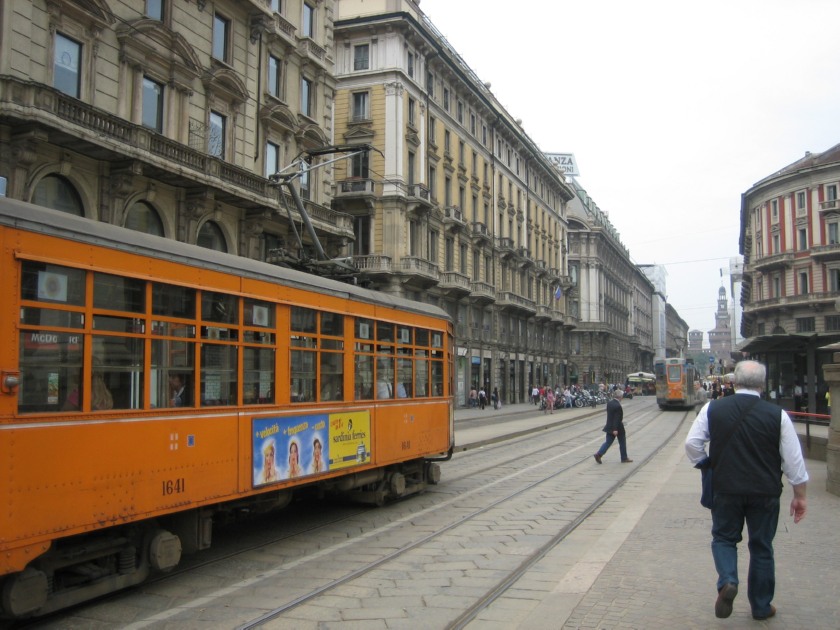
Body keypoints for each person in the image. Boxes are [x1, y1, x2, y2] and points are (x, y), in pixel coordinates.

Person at [685, 360, 808, 621]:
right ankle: (761, 607)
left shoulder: (713, 408)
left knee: (724, 539)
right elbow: (793, 461)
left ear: (733, 382)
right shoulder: (778, 415)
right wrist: (800, 496)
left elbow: (692, 444)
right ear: (762, 385)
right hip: (765, 491)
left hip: (726, 489)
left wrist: (707, 464)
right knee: (762, 547)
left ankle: (728, 581)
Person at [593, 389, 632, 464]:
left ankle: (599, 454)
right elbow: (616, 418)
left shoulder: (609, 403)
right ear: (620, 397)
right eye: (622, 396)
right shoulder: (618, 406)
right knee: (622, 442)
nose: (622, 398)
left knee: (608, 442)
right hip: (617, 428)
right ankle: (624, 458)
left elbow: (611, 416)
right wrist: (615, 429)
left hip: (609, 426)